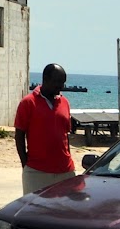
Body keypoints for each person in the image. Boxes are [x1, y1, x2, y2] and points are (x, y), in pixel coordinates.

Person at [15, 62, 77, 194]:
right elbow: (19, 135)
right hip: (37, 172)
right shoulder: (28, 102)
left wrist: (68, 159)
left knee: (64, 212)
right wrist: (25, 164)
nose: (61, 86)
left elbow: (65, 135)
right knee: (34, 212)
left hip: (65, 171)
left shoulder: (65, 102)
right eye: (58, 82)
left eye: (63, 82)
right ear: (46, 79)